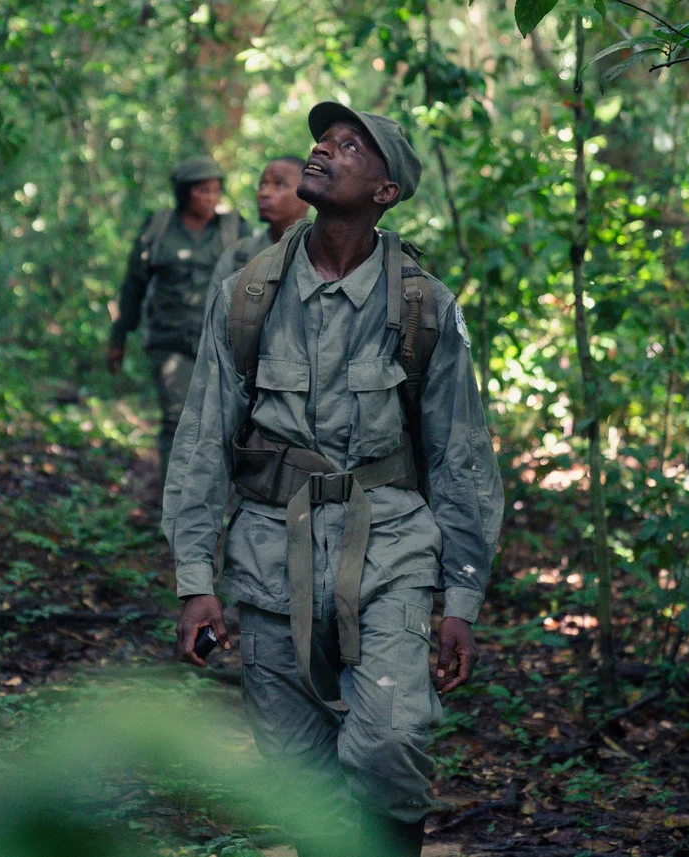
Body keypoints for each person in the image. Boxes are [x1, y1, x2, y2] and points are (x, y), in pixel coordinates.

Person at [160, 103, 504, 857]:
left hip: (389, 547)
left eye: (350, 146)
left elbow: (461, 456)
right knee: (298, 771)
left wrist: (462, 599)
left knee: (391, 740)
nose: (323, 149)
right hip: (269, 551)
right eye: (324, 138)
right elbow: (203, 440)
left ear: (385, 191)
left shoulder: (423, 306)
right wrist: (195, 580)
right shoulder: (248, 294)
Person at [108, 155, 249, 489]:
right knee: (177, 420)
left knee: (220, 423)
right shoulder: (159, 228)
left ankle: (210, 499)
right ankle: (172, 504)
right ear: (185, 192)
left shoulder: (234, 228)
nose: (210, 197)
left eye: (215, 189)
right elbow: (134, 285)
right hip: (169, 339)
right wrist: (118, 337)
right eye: (202, 190)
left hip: (220, 342)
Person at [206, 155, 311, 290]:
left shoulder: (323, 257)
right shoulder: (238, 256)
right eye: (262, 184)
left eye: (279, 184)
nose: (263, 193)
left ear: (307, 193)